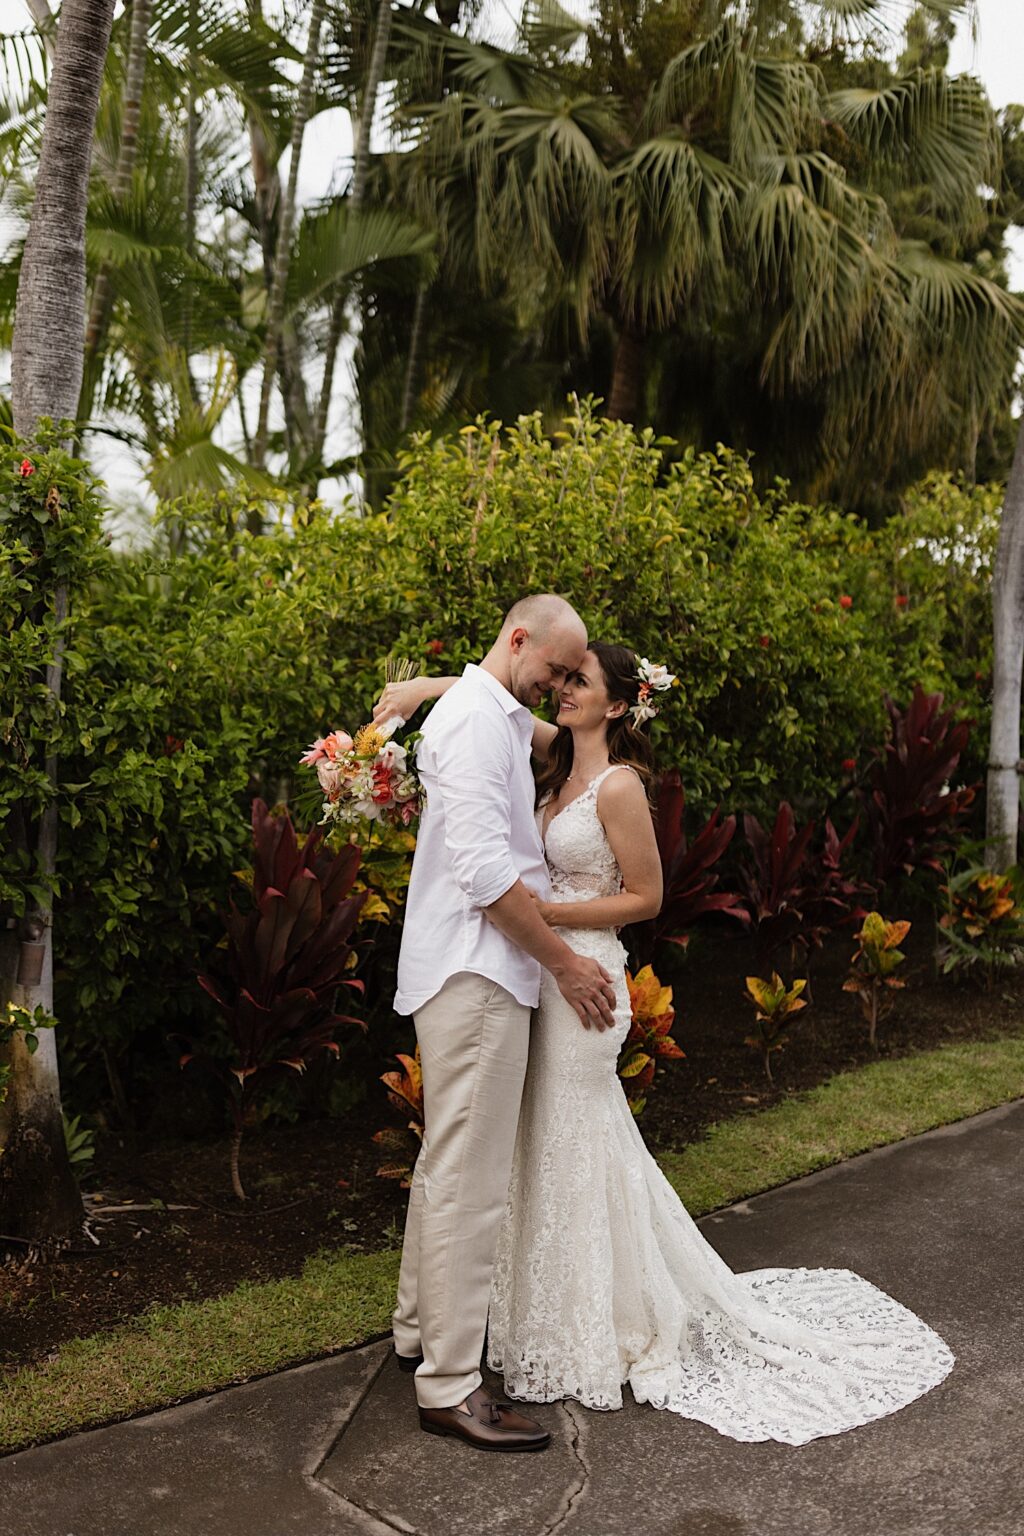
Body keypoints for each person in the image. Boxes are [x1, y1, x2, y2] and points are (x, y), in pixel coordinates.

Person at [378, 640, 955, 1447]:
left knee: (579, 1140)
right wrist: (421, 691)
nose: (561, 690)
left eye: (579, 682)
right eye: (561, 677)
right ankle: (538, 1315)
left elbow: (646, 897)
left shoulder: (618, 785)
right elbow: (491, 700)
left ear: (617, 704)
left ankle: (599, 1322)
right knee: (540, 1145)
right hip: (540, 974)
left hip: (585, 975)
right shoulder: (554, 755)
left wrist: (550, 916)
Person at [384, 595, 619, 1454]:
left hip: (471, 970)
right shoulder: (479, 725)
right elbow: (487, 876)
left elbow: (540, 742)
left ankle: (417, 1332)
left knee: (446, 1164)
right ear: (519, 640)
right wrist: (565, 964)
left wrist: (420, 688)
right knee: (471, 1184)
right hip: (480, 975)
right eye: (555, 670)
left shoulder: (488, 711)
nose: (558, 687)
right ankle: (450, 1385)